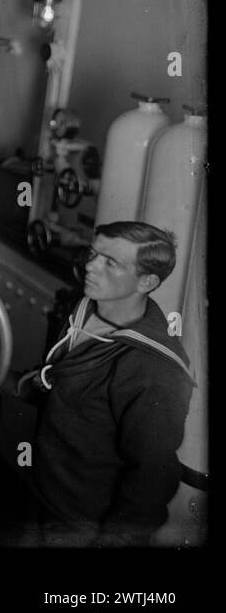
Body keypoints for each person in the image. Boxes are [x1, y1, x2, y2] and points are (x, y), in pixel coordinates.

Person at [17, 221, 194, 547]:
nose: (90, 266)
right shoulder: (85, 310)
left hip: (82, 526)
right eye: (93, 254)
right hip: (41, 496)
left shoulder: (154, 372)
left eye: (110, 263)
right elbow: (62, 384)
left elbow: (153, 479)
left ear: (147, 281)